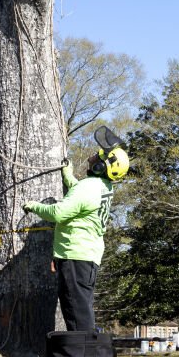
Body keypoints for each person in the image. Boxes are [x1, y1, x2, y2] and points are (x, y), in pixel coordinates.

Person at [24, 138, 129, 333]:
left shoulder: (87, 188)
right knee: (81, 308)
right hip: (87, 256)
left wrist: (33, 206)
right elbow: (81, 195)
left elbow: (58, 213)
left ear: (100, 167)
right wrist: (68, 176)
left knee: (76, 312)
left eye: (97, 157)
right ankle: (86, 355)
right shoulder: (104, 187)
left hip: (75, 256)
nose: (91, 158)